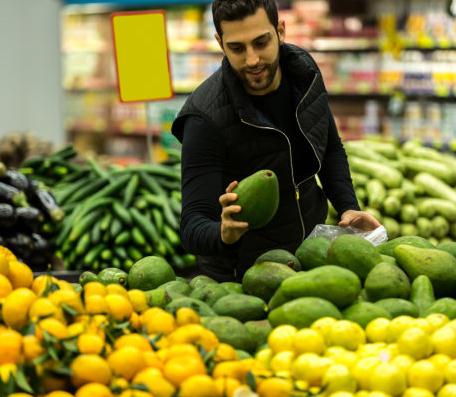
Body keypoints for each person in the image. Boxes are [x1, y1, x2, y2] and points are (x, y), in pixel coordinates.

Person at [171, 0, 381, 282]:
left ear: (280, 31)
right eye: (237, 48)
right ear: (220, 43)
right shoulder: (204, 117)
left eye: (261, 42)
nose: (252, 59)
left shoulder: (304, 73)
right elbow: (192, 226)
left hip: (309, 255)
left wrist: (348, 206)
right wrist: (223, 232)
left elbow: (329, 148)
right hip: (244, 278)